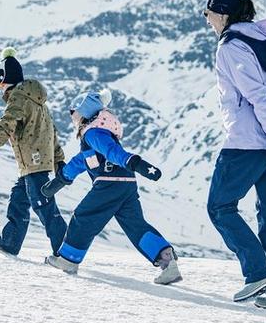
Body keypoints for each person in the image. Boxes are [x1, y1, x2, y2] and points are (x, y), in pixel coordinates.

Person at [202, 0, 266, 312]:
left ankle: (257, 273)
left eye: (208, 13)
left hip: (247, 143)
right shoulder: (261, 42)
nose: (206, 19)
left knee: (219, 207)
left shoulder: (231, 47)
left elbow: (257, 96)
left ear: (223, 14)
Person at [42, 91, 182, 285]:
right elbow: (83, 161)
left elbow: (113, 152)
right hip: (126, 185)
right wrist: (61, 179)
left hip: (109, 183)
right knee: (136, 226)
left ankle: (68, 260)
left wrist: (136, 162)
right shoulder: (96, 133)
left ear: (83, 111)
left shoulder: (93, 132)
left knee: (84, 216)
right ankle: (168, 263)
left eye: (73, 112)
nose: (71, 117)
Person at [0, 49, 67, 258]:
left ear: (4, 79)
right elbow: (52, 133)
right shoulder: (38, 102)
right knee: (19, 201)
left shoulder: (18, 98)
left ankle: (66, 253)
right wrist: (59, 160)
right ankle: (10, 243)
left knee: (45, 207)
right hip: (33, 165)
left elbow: (4, 128)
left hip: (34, 163)